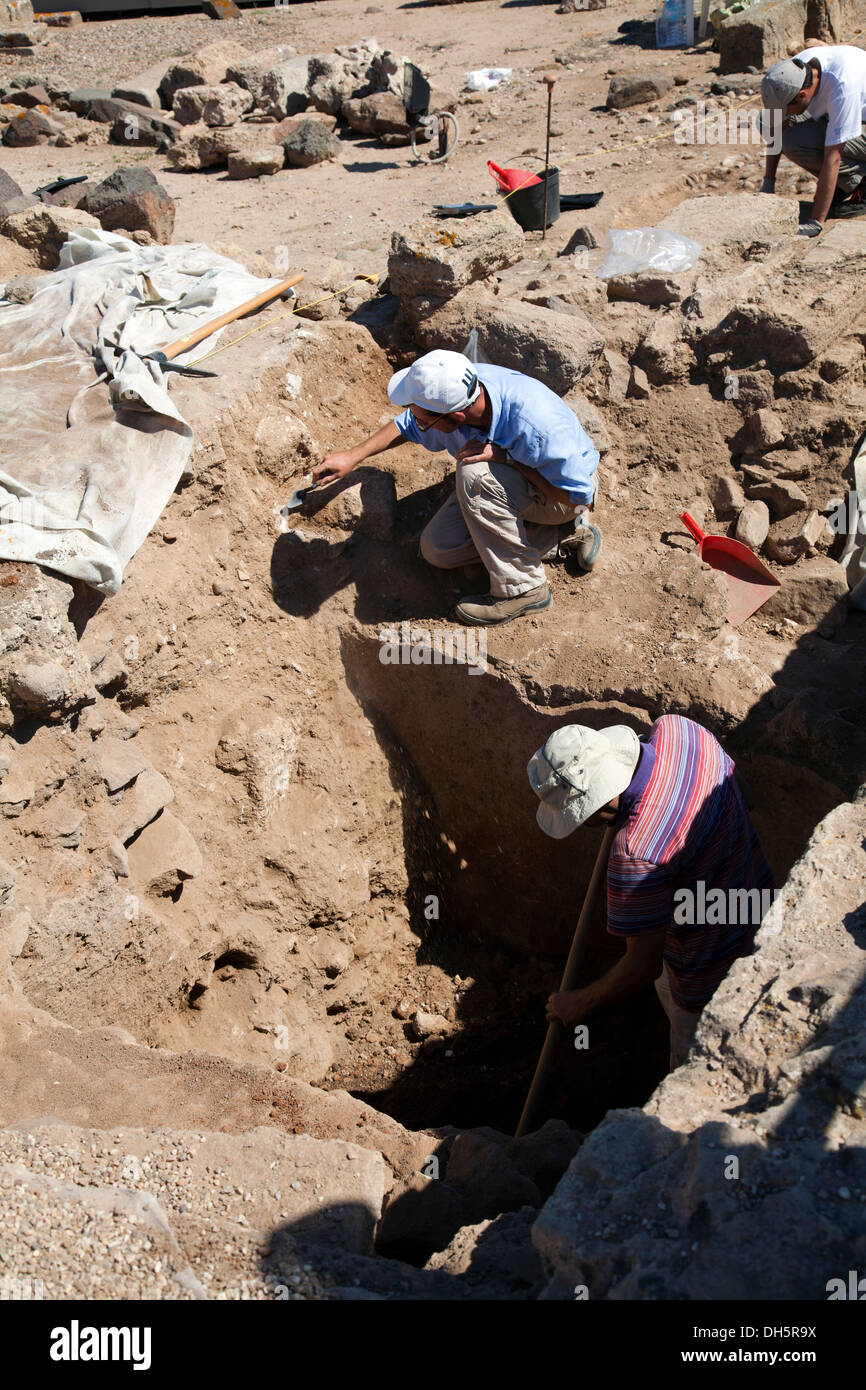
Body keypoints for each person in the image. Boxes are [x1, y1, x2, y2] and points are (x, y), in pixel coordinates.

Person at [527, 714, 774, 1069]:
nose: (584, 825)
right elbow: (744, 794)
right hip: (760, 904)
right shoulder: (680, 731)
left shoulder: (636, 852)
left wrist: (578, 1002)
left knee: (697, 1066)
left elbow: (642, 964)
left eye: (580, 815)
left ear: (598, 802)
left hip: (706, 973)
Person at [314, 348, 601, 627]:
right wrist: (353, 456)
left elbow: (579, 496)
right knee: (438, 549)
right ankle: (563, 537)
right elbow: (407, 425)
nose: (419, 426)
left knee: (475, 474)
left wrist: (508, 458)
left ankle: (525, 589)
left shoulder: (537, 425)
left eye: (426, 423)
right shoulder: (457, 393)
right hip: (515, 486)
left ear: (457, 418)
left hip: (562, 493)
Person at [760, 45, 866, 237]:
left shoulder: (842, 86)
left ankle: (861, 187)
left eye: (786, 110)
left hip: (861, 122)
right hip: (840, 114)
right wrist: (768, 182)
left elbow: (833, 156)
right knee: (766, 122)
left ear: (802, 95)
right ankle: (841, 186)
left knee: (794, 142)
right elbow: (774, 125)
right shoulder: (796, 70)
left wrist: (816, 221)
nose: (784, 115)